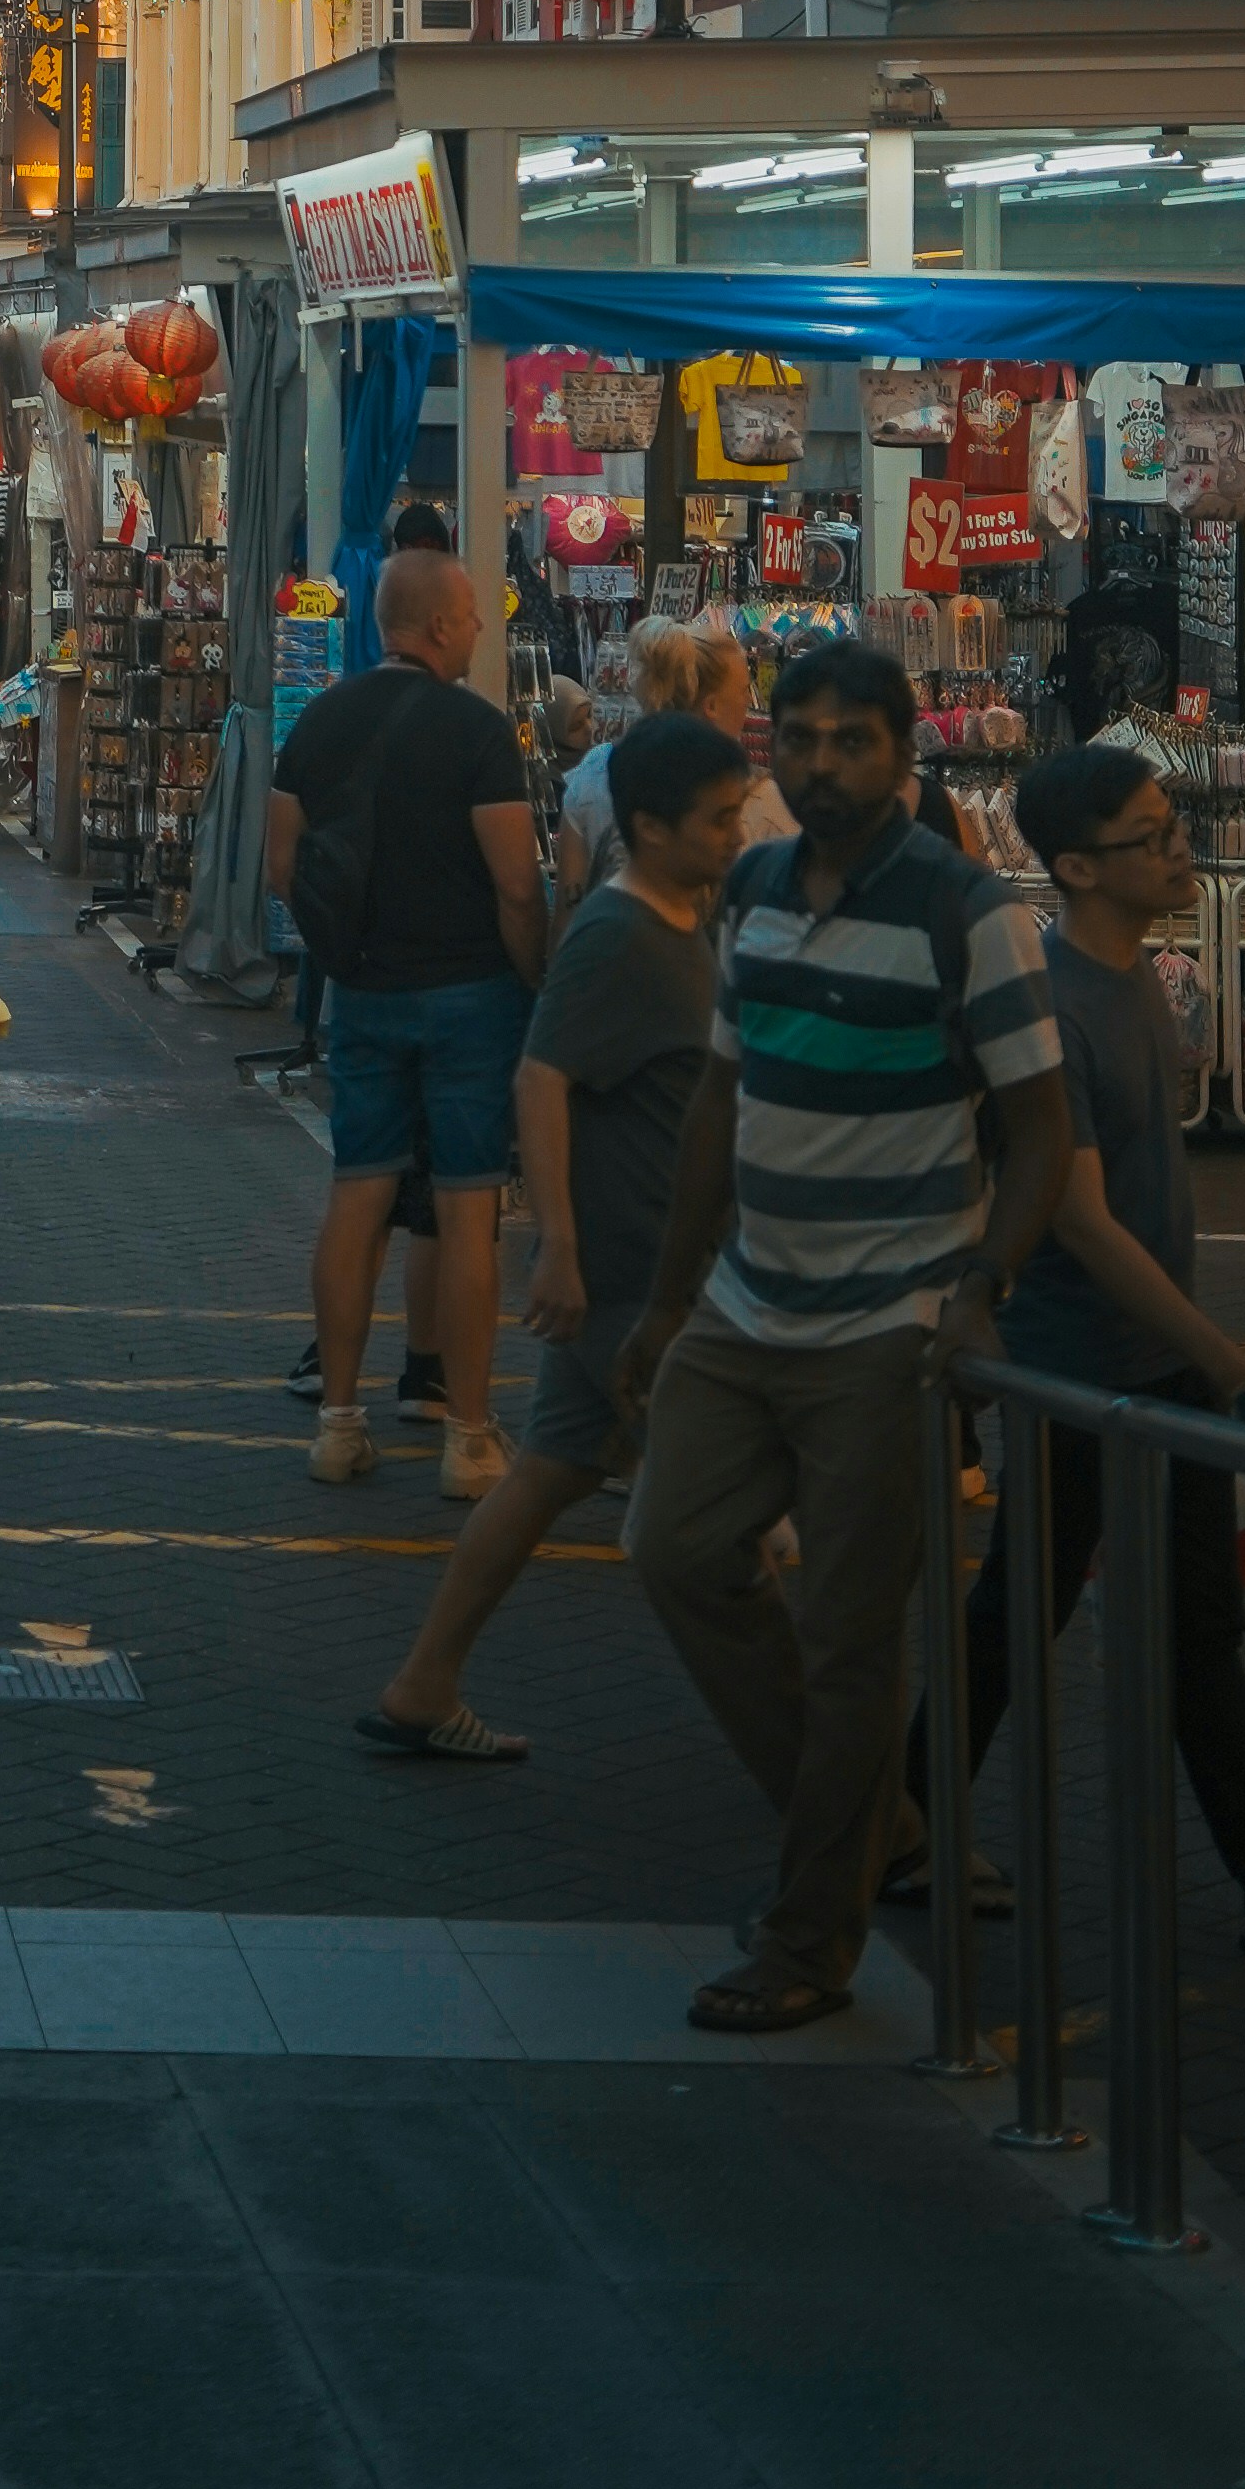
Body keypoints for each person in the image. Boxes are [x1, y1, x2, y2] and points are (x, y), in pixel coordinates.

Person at [615, 631, 1073, 2038]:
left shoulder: (965, 909)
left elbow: (1041, 1129)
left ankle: (813, 1938)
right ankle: (877, 1827)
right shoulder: (752, 888)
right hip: (747, 1303)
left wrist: (983, 1282)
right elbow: (721, 1101)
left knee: (853, 1639)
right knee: (674, 1548)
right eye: (799, 738)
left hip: (891, 1328)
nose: (819, 764)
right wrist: (668, 1295)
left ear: (902, 752)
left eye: (850, 741)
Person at [896, 742, 1245, 1942]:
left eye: (1172, 824)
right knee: (1026, 1618)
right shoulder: (1057, 1008)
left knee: (1176, 1632)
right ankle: (898, 1829)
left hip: (1147, 1360)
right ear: (1076, 866)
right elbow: (1076, 1217)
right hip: (1081, 1371)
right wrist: (1224, 1360)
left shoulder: (1139, 978)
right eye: (1151, 835)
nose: (1180, 849)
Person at [359, 714, 746, 1766]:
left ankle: (422, 1684)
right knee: (727, 1512)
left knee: (547, 1476)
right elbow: (541, 1077)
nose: (734, 835)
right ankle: (811, 1751)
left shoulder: (686, 921)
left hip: (651, 1265)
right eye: (717, 819)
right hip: (633, 1272)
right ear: (651, 826)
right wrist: (560, 1246)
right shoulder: (615, 934)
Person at [267, 550, 543, 1497]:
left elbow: (282, 866)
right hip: (471, 995)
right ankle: (468, 1437)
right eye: (471, 616)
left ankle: (339, 1425)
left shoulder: (321, 721)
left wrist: (342, 953)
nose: (479, 630)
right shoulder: (478, 732)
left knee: (358, 1197)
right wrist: (534, 977)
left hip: (364, 993)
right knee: (467, 1210)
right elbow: (517, 883)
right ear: (438, 626)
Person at [557, 619, 759, 899]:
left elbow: (569, 899)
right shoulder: (736, 788)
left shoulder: (595, 769)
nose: (748, 700)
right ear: (711, 706)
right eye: (744, 690)